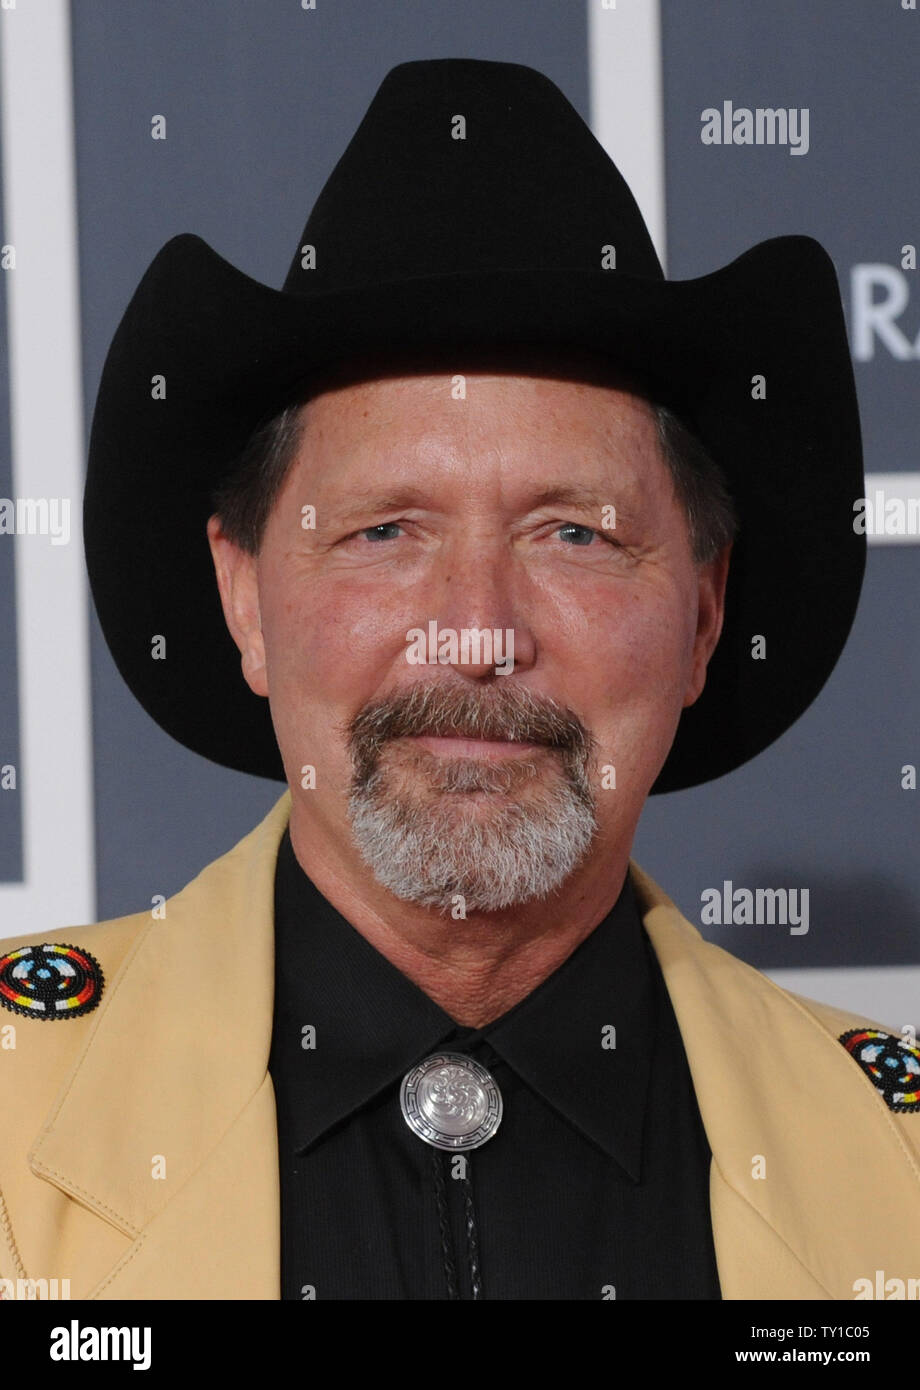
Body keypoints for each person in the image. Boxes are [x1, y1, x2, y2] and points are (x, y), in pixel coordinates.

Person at [1, 57, 918, 1303]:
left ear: (702, 615)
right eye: (385, 532)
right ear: (243, 601)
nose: (474, 634)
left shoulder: (900, 1172)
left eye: (573, 535)